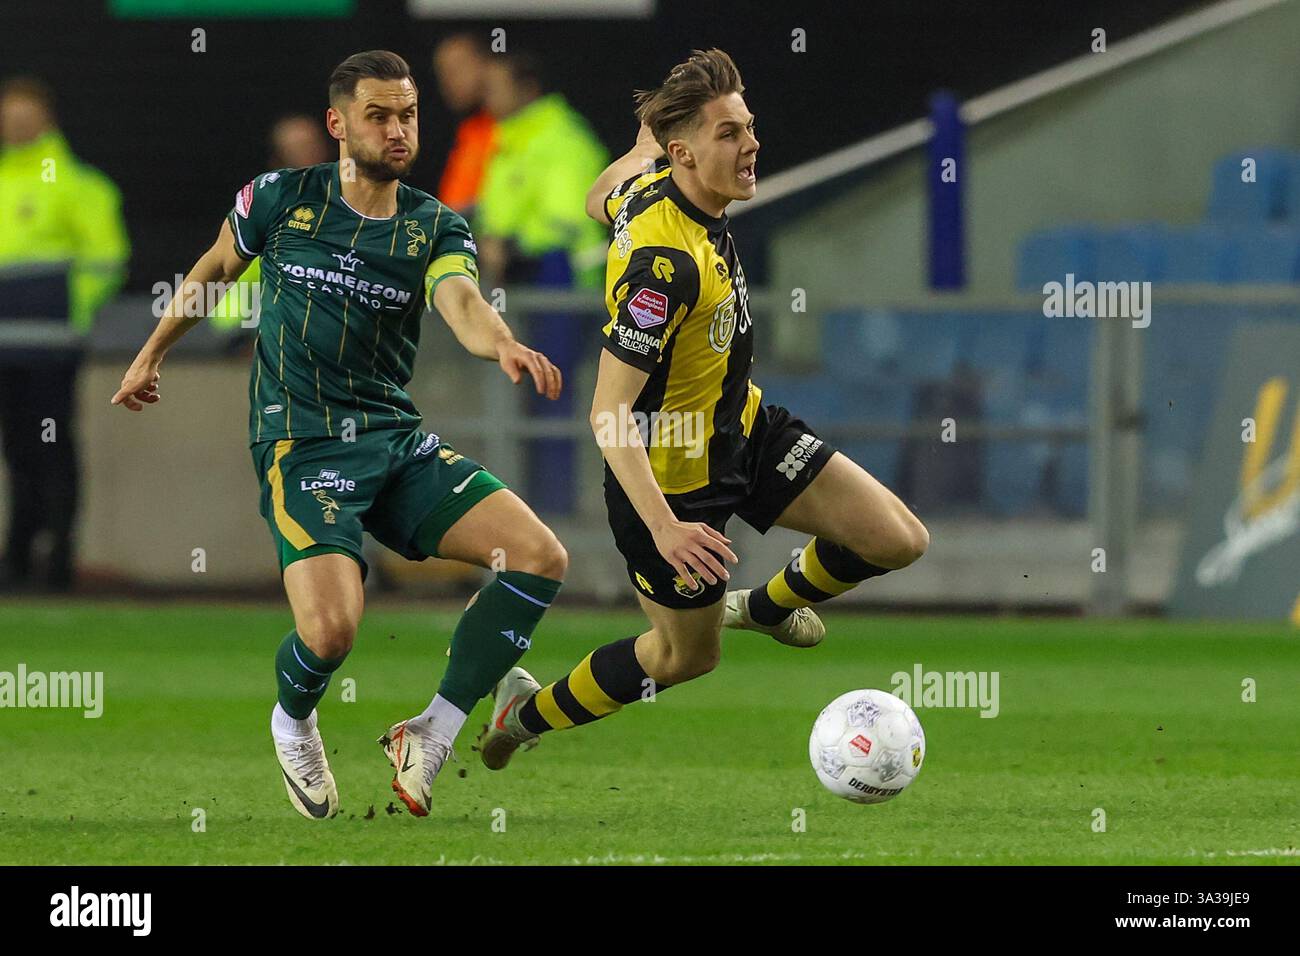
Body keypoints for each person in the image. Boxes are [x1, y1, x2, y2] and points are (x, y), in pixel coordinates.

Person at [112, 51, 568, 821]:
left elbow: (460, 302)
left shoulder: (433, 223)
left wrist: (503, 343)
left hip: (393, 439)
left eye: (409, 115)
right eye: (379, 116)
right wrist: (152, 353)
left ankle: (433, 730)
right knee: (330, 632)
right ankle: (292, 721)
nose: (398, 131)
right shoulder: (282, 199)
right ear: (339, 124)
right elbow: (217, 265)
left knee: (538, 556)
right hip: (303, 442)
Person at [475, 49, 928, 767]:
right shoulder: (665, 269)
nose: (751, 144)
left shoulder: (654, 183)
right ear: (686, 152)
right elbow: (608, 414)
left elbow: (601, 198)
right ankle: (523, 714)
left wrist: (643, 144)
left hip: (741, 429)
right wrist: (666, 528)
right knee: (682, 658)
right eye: (729, 133)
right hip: (672, 485)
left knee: (898, 539)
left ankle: (766, 607)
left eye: (749, 126)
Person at [0, 76, 129, 592]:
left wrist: (66, 310)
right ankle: (16, 560)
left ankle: (57, 562)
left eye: (24, 118)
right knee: (17, 453)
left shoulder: (82, 186)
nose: (16, 127)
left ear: (47, 120)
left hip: (53, 348)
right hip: (6, 346)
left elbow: (107, 260)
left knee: (54, 450)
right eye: (8, 118)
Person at [431, 33, 495, 218]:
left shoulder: (511, 129)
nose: (448, 80)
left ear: (488, 65)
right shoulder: (469, 131)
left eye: (458, 68)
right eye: (443, 72)